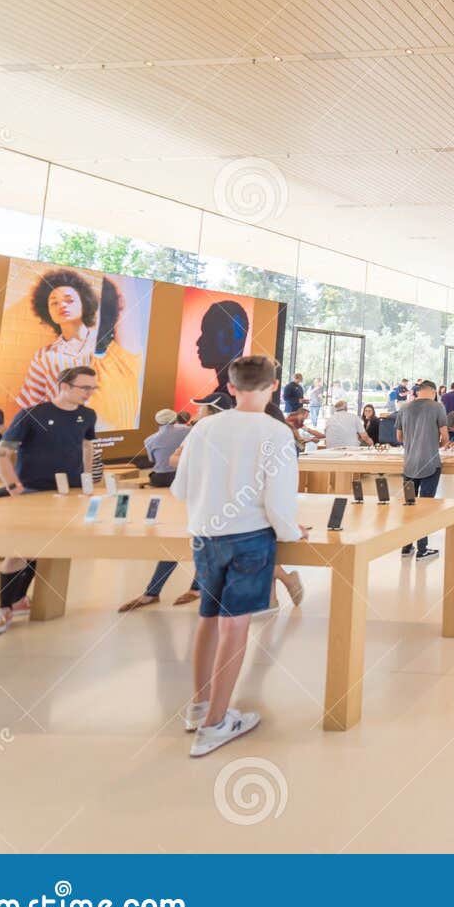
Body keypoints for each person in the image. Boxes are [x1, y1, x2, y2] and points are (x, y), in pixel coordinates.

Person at [170, 355, 304, 756]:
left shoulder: (205, 426)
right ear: (274, 385)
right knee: (236, 626)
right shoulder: (275, 432)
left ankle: (198, 706)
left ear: (230, 387)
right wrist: (294, 534)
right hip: (250, 537)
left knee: (208, 620)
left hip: (206, 534)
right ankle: (215, 724)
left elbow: (181, 488)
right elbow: (279, 500)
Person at [0, 365, 99, 638]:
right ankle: (3, 608)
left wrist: (87, 481)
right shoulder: (33, 414)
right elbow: (2, 454)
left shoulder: (88, 415)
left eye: (93, 388)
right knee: (19, 552)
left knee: (44, 549)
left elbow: (87, 446)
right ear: (65, 386)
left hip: (68, 494)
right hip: (32, 492)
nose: (90, 393)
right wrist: (14, 488)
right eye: (85, 388)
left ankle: (18, 600)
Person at [118, 410, 200, 613]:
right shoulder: (191, 432)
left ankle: (157, 591)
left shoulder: (153, 439)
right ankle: (167, 590)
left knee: (194, 539)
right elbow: (176, 461)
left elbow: (158, 460)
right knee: (188, 537)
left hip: (177, 485)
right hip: (184, 488)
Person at [15, 269, 99, 411]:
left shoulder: (106, 346)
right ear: (47, 311)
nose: (62, 305)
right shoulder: (43, 356)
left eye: (69, 300)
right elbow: (34, 405)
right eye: (54, 303)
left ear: (84, 303)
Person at [396, 380, 449, 560]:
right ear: (433, 392)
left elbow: (399, 436)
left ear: (419, 391)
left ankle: (406, 545)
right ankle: (422, 549)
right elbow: (446, 437)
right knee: (425, 507)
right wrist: (436, 445)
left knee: (409, 506)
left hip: (409, 464)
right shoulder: (437, 407)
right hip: (430, 463)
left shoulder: (404, 408)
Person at [189, 300, 251, 411]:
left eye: (207, 334)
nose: (199, 342)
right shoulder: (229, 392)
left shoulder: (236, 398)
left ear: (229, 338)